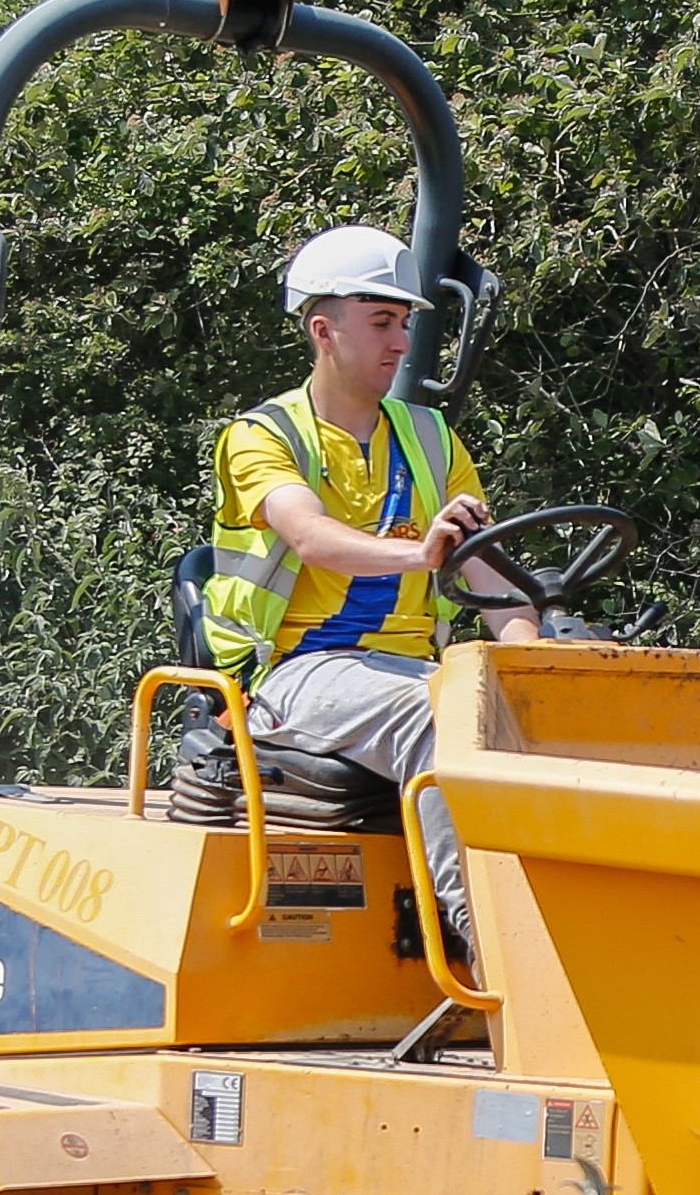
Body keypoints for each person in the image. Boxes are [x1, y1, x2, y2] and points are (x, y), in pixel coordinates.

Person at [192, 223, 537, 957]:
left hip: (408, 669)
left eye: (406, 323)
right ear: (324, 329)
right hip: (292, 675)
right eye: (383, 321)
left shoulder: (432, 439)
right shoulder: (263, 437)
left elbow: (492, 580)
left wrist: (533, 659)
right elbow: (312, 538)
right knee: (443, 715)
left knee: (525, 707)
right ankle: (497, 951)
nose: (402, 342)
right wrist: (419, 554)